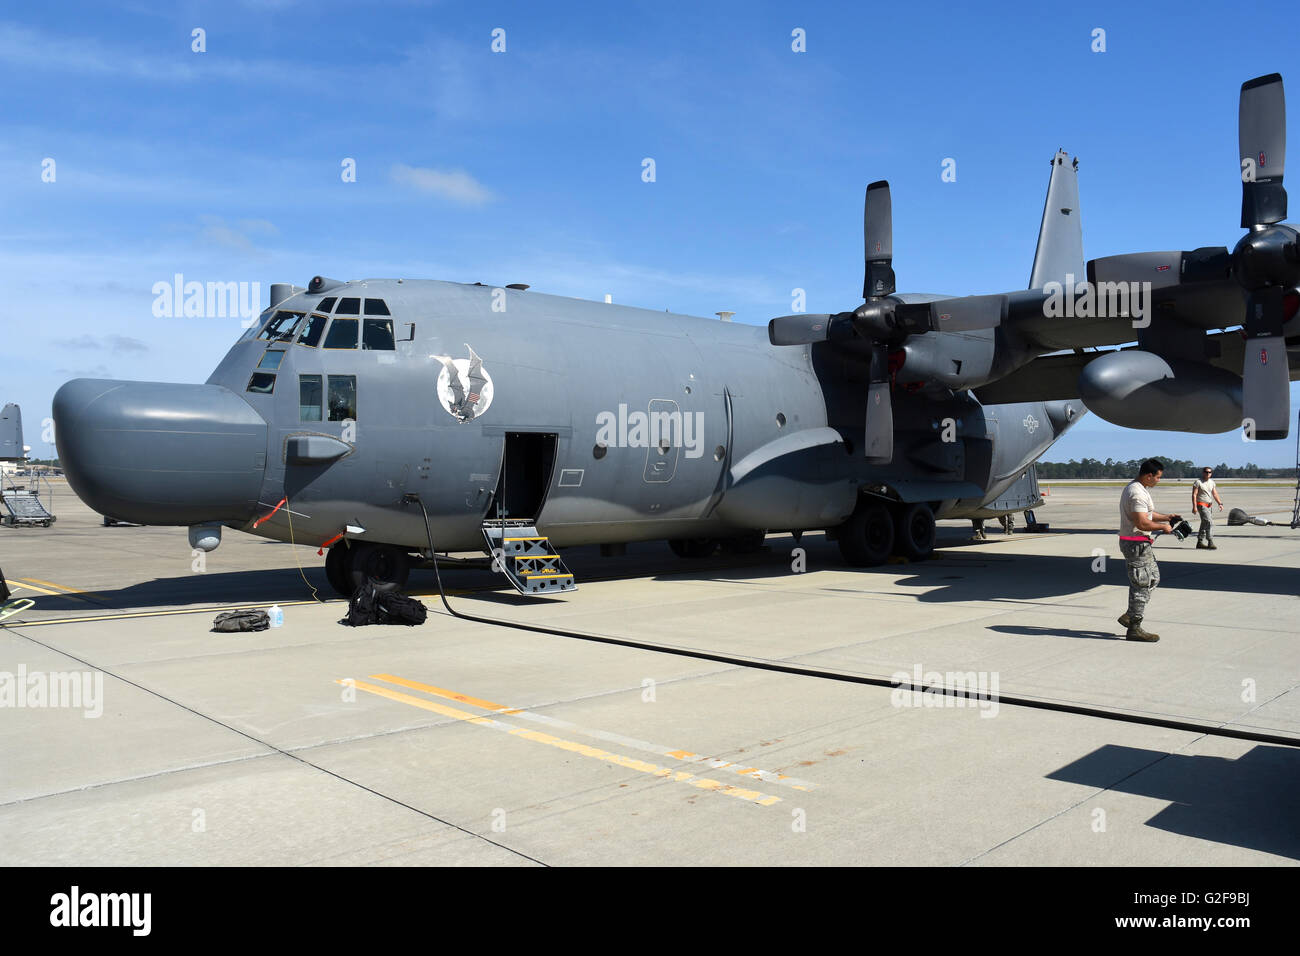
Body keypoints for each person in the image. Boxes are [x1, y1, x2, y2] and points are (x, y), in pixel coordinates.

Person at [1117, 458, 1182, 643]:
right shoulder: (1136, 493)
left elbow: (1147, 514)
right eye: (1158, 477)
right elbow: (1141, 522)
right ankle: (1134, 627)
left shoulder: (1140, 489)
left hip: (1141, 543)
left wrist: (1167, 516)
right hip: (1135, 544)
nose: (1158, 481)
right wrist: (1163, 527)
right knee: (1142, 585)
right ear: (1148, 476)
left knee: (1153, 577)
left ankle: (1130, 615)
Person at [1190, 466, 1224, 550]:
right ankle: (1210, 540)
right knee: (1209, 522)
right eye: (1206, 472)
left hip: (1209, 505)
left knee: (1204, 523)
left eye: (1210, 472)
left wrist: (1220, 503)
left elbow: (1215, 494)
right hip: (1201, 505)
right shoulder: (1198, 482)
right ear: (1203, 473)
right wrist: (1194, 507)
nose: (1208, 473)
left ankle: (1199, 542)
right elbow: (1194, 495)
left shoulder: (1212, 482)